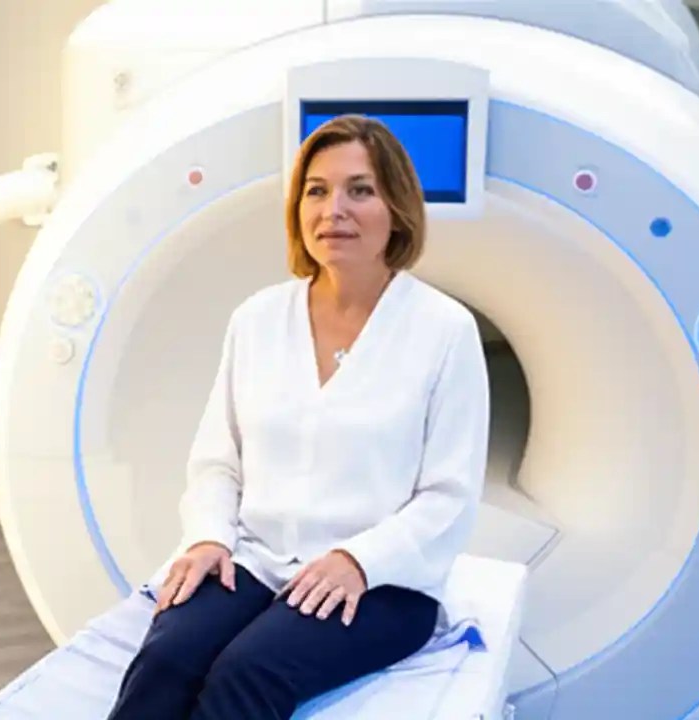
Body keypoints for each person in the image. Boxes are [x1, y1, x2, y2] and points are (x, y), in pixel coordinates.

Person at [106, 114, 491, 720]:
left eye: (359, 190)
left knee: (246, 673)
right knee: (166, 660)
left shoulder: (443, 331)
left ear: (397, 207)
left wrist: (358, 560)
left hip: (382, 584)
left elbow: (448, 497)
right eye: (317, 189)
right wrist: (209, 536)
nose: (334, 208)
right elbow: (217, 462)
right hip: (257, 560)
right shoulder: (257, 320)